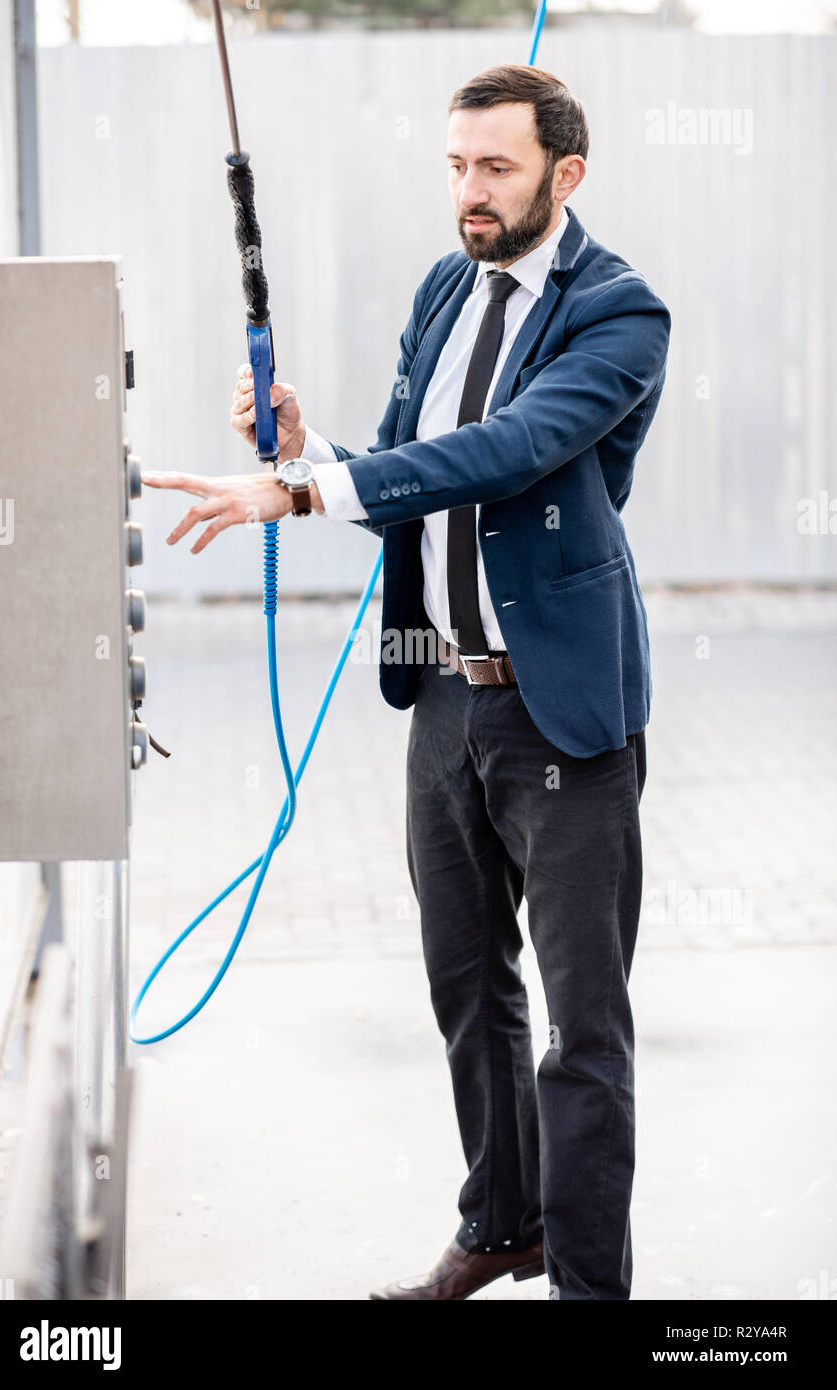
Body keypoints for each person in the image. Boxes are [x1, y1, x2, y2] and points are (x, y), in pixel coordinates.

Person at [142, 63, 671, 1301]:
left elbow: (511, 449)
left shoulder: (620, 313)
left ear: (564, 174)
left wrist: (302, 492)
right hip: (440, 696)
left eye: (496, 168)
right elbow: (406, 464)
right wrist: (303, 444)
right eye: (454, 166)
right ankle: (501, 1227)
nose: (470, 193)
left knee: (580, 1034)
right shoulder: (447, 286)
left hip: (562, 712)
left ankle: (593, 1289)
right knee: (465, 987)